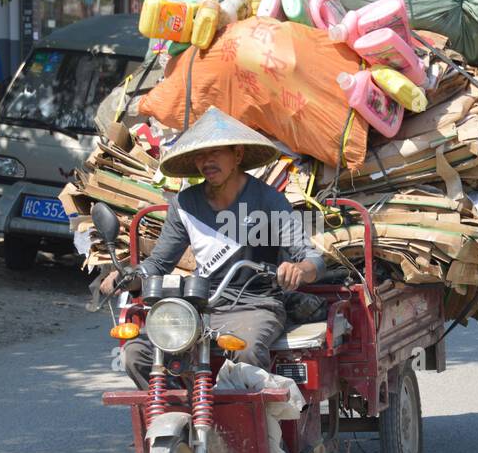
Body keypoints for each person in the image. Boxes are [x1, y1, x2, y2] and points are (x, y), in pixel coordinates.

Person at [99, 107, 325, 389]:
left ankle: (250, 430)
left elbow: (312, 259)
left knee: (246, 351)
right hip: (200, 307)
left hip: (255, 306)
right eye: (201, 154)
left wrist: (298, 270)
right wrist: (127, 277)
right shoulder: (183, 205)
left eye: (216, 152)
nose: (207, 161)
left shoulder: (268, 201)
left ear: (238, 155)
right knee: (137, 355)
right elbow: (157, 265)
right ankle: (182, 417)